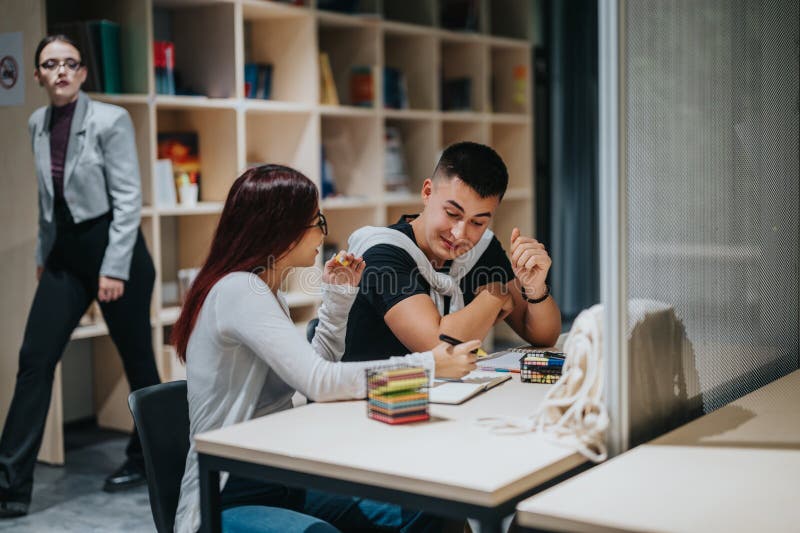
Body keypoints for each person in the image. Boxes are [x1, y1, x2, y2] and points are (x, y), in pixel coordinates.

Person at [170, 164, 478, 533]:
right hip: (228, 492)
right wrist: (428, 365)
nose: (322, 232)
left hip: (281, 476)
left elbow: (310, 374)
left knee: (430, 507)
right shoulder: (238, 291)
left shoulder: (267, 292)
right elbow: (320, 382)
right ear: (282, 228)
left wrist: (338, 298)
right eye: (316, 220)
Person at [0, 35, 161, 518]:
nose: (62, 71)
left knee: (137, 362)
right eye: (51, 64)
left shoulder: (111, 119)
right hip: (66, 258)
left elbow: (129, 200)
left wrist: (113, 269)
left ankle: (150, 457)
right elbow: (49, 200)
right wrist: (44, 253)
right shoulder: (36, 122)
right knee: (34, 358)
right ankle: (10, 487)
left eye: (71, 63)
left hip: (118, 253)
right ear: (38, 76)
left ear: (84, 73)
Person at [341, 141, 562, 362]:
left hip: (447, 392)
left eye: (477, 222)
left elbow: (543, 337)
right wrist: (495, 296)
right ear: (427, 192)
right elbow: (438, 348)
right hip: (370, 392)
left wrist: (535, 287)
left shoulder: (481, 249)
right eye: (452, 213)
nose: (459, 234)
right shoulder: (383, 252)